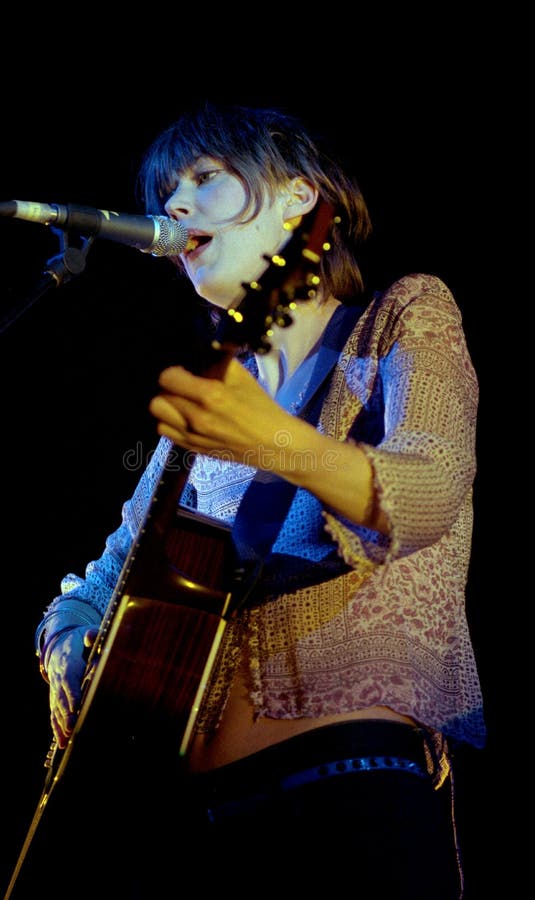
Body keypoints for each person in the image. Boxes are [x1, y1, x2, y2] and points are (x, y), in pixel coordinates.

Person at [29, 102, 485, 899]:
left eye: (204, 178)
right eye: (166, 193)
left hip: (347, 793)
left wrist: (271, 439)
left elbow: (427, 491)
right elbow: (104, 578)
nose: (175, 206)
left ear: (299, 198)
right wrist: (64, 646)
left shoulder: (397, 319)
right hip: (186, 825)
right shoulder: (206, 413)